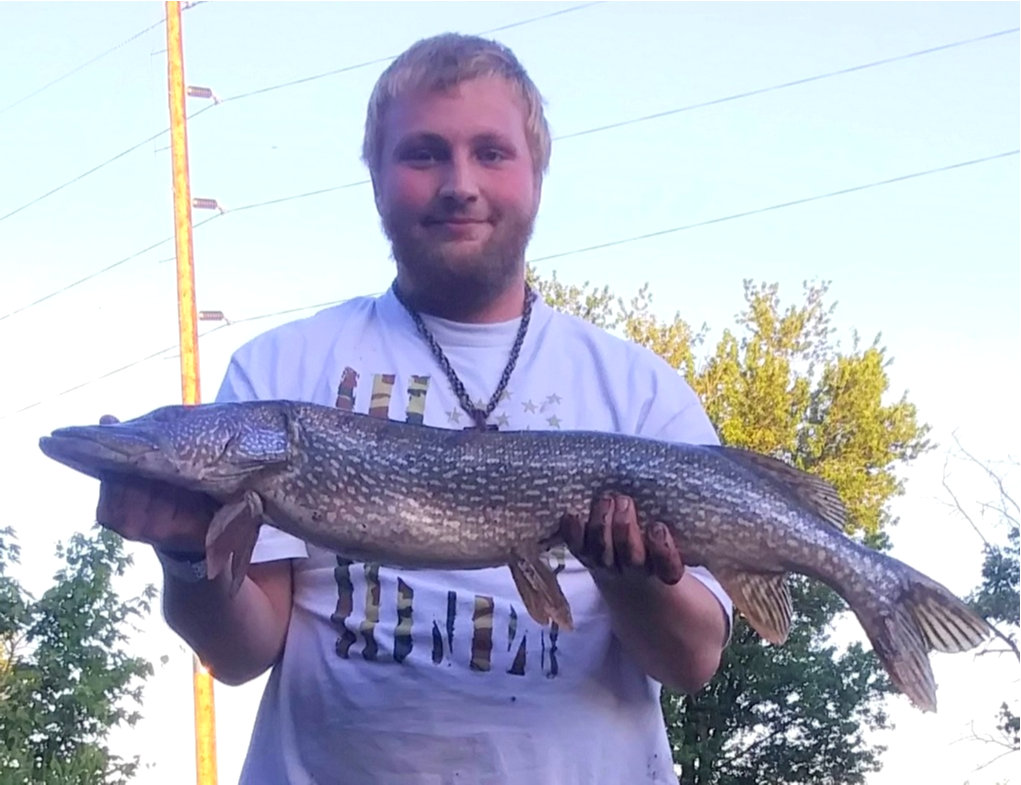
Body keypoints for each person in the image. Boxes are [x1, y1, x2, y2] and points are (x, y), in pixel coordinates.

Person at [96, 33, 732, 785]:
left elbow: (691, 660)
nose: (458, 182)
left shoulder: (639, 389)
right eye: (423, 153)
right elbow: (237, 655)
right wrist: (184, 557)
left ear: (536, 176)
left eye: (491, 153)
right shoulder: (282, 369)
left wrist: (629, 576)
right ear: (375, 178)